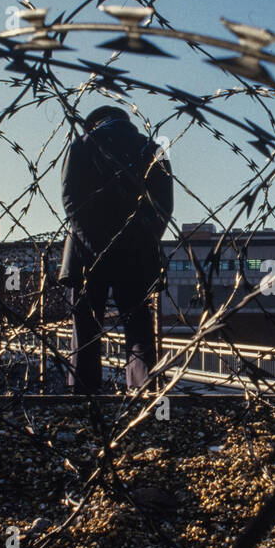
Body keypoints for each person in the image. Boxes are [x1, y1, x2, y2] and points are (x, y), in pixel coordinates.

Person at [60, 105, 173, 392]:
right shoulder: (153, 148)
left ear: (95, 122)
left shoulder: (82, 145)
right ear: (126, 121)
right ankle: (144, 393)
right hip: (135, 251)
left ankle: (84, 398)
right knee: (139, 329)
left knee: (85, 328)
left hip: (87, 253)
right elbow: (164, 204)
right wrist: (145, 239)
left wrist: (95, 244)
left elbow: (71, 200)